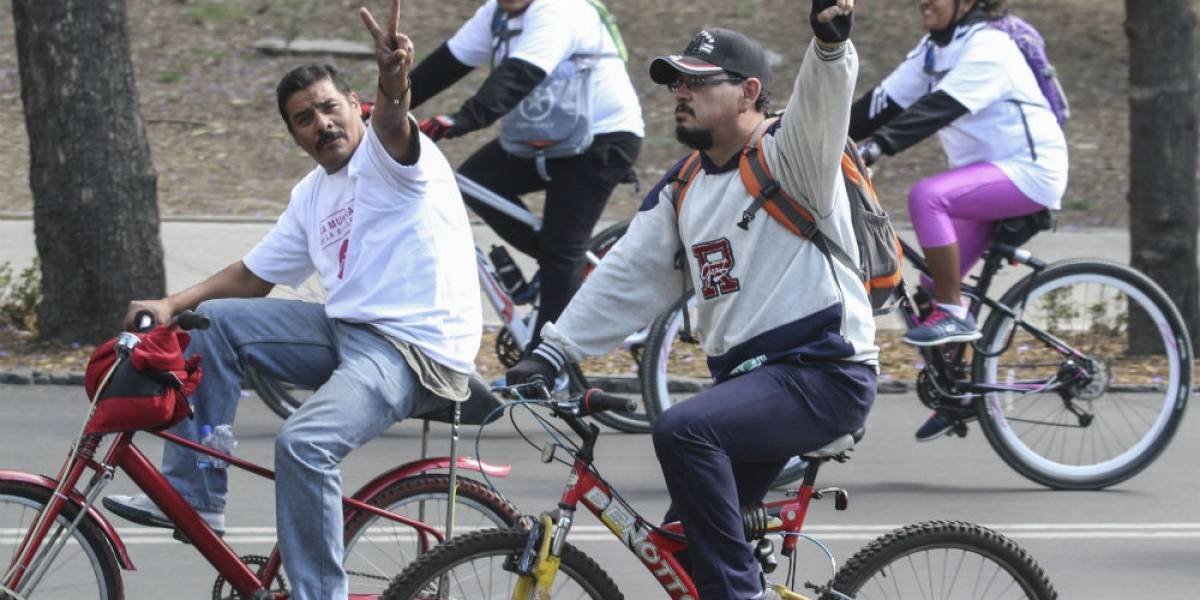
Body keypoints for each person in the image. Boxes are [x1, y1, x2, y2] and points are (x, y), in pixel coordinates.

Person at [102, 2, 482, 598]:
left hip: (414, 351)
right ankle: (200, 496)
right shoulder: (313, 193)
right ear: (294, 134)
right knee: (214, 324)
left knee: (304, 444)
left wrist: (394, 80)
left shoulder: (392, 161)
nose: (323, 124)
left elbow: (392, 123)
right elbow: (254, 275)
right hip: (347, 333)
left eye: (331, 107)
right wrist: (174, 303)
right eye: (304, 118)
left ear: (355, 105)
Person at [507, 2, 872, 599]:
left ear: (749, 92)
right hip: (748, 392)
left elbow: (822, 102)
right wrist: (552, 355)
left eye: (698, 81)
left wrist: (829, 45)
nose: (680, 91)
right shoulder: (684, 188)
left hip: (821, 372)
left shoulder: (794, 155)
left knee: (682, 431)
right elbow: (624, 276)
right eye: (676, 81)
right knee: (685, 544)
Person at [847, 0, 1068, 441]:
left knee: (927, 198)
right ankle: (960, 393)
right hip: (986, 180)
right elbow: (880, 105)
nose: (923, 2)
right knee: (930, 286)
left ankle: (955, 312)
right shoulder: (933, 50)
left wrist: (876, 149)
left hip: (1030, 171)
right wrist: (804, 130)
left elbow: (940, 107)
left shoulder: (990, 45)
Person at [407, 0, 644, 347]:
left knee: (561, 249)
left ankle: (545, 365)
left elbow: (520, 73)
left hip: (602, 138)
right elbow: (448, 63)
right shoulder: (496, 14)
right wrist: (386, 104)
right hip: (546, 135)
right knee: (474, 180)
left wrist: (463, 119)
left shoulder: (561, 10)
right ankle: (564, 274)